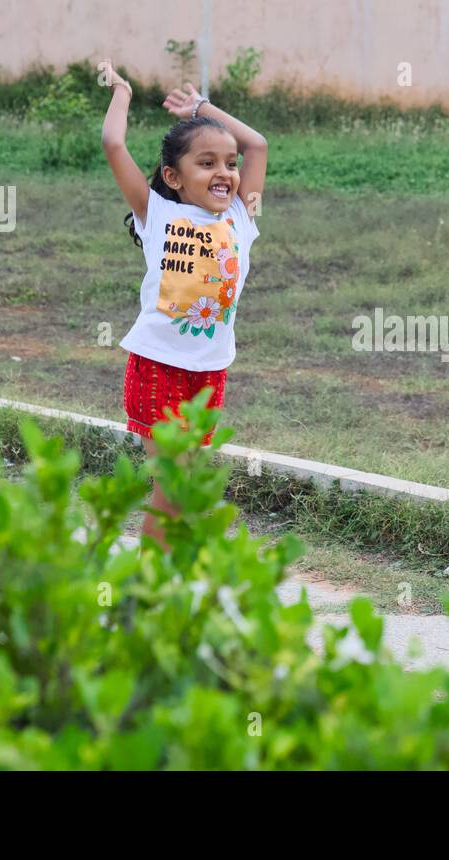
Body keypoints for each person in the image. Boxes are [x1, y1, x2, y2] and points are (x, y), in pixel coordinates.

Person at [100, 61, 268, 548]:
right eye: (207, 162)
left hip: (209, 373)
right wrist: (123, 92)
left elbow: (256, 144)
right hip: (158, 368)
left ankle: (164, 576)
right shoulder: (158, 213)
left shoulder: (243, 217)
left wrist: (202, 109)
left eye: (228, 164)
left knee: (185, 487)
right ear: (173, 176)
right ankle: (152, 585)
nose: (224, 172)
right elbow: (114, 144)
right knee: (171, 486)